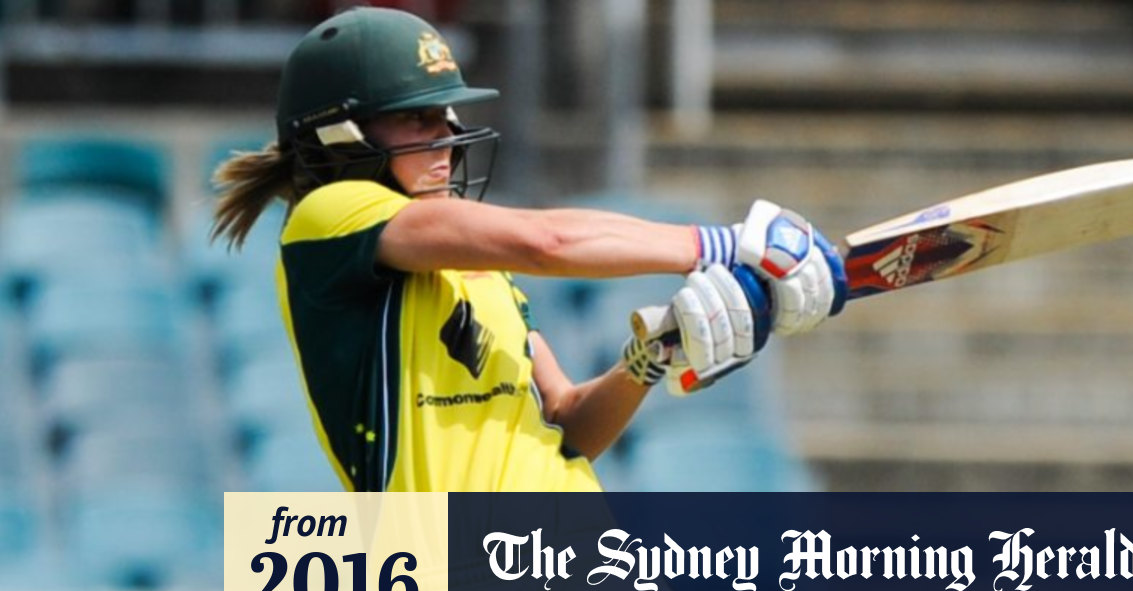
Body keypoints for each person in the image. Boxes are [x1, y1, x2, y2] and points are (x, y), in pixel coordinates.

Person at [210, 7, 846, 492]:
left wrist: (652, 358)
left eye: (446, 117)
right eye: (416, 119)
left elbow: (567, 423)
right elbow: (548, 242)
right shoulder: (329, 216)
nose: (449, 139)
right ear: (338, 136)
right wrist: (722, 244)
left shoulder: (474, 270)